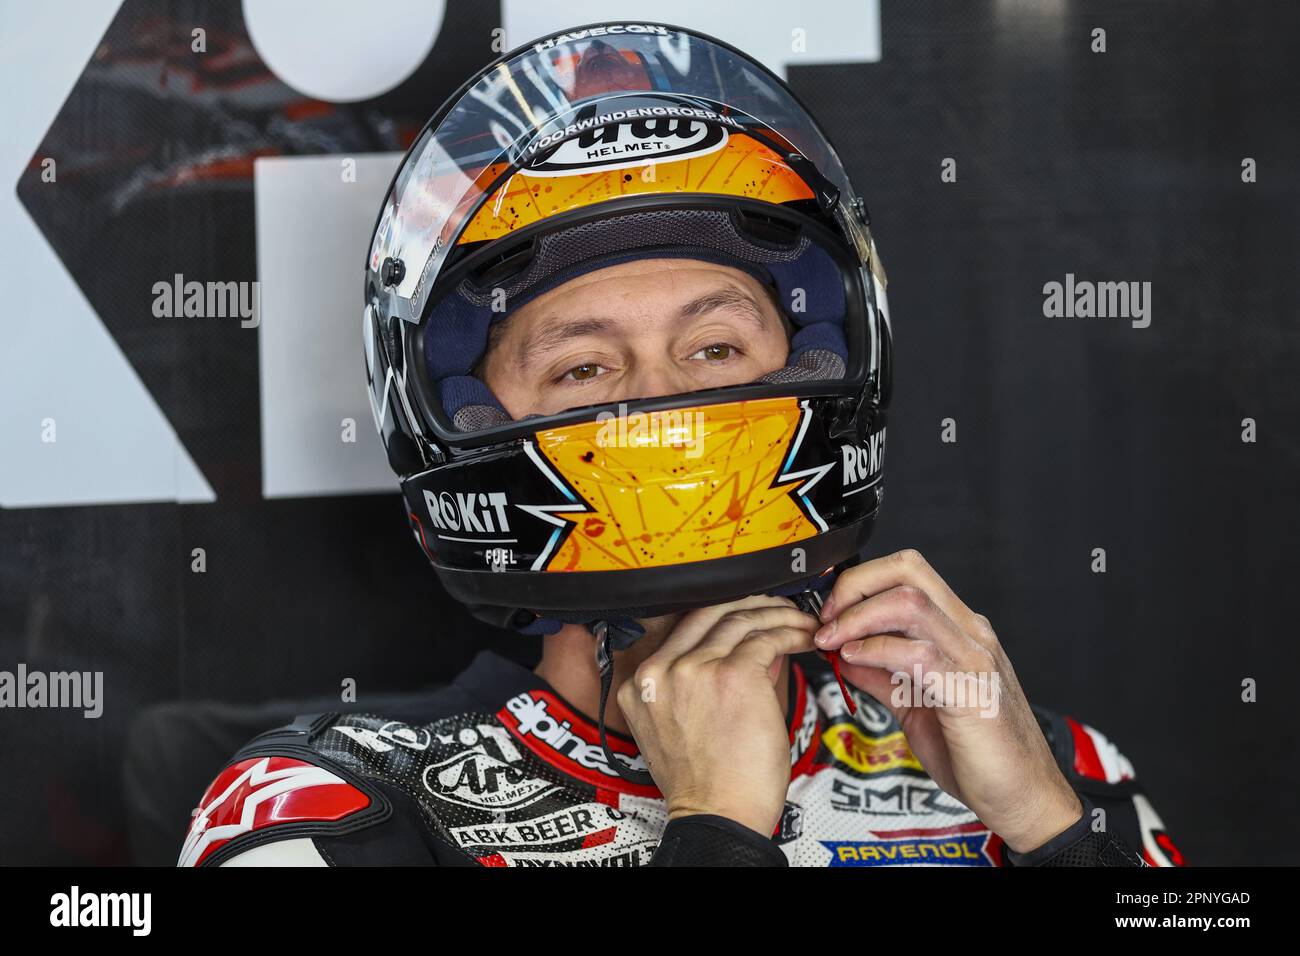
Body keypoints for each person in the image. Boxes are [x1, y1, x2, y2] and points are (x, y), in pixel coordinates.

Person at [179, 22, 1183, 868]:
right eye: (583, 366)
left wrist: (1051, 827)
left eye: (713, 346)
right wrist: (713, 829)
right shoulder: (323, 811)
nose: (663, 401)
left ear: (817, 366)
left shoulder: (1047, 761)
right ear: (468, 421)